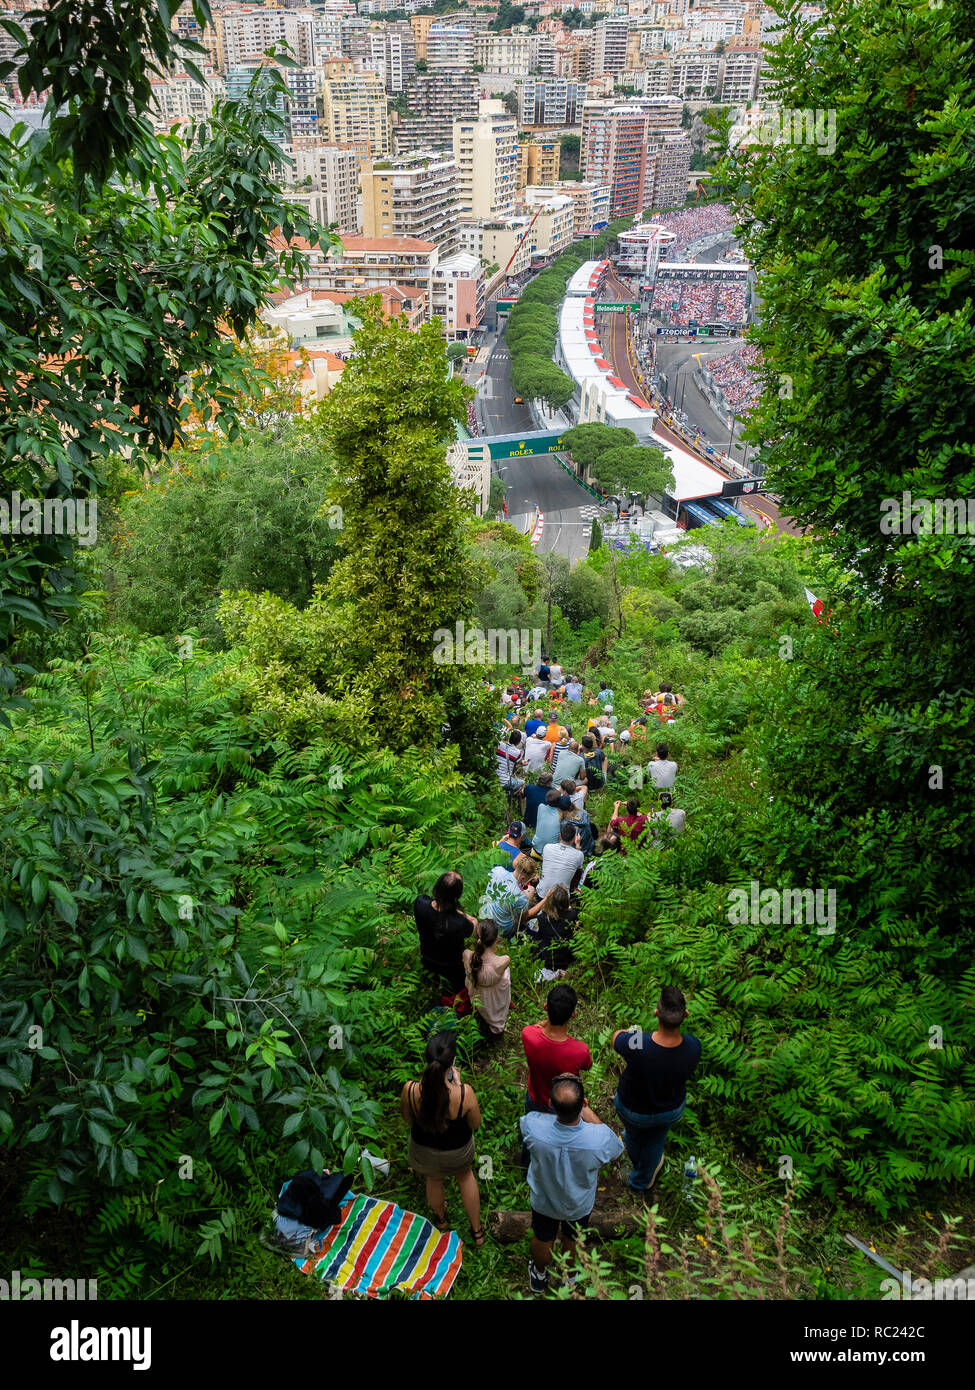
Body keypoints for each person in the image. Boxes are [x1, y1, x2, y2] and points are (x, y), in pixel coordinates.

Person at [520, 1074, 624, 1295]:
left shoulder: (533, 1125)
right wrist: (590, 1114)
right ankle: (569, 1279)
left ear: (550, 1103)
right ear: (583, 1103)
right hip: (578, 1204)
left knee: (543, 1238)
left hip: (544, 1201)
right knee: (573, 1238)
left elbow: (527, 1122)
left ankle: (539, 1275)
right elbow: (616, 1148)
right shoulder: (598, 1138)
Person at [610, 986, 701, 1193]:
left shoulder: (638, 1044)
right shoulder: (693, 1046)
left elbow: (616, 1038)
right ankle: (645, 1169)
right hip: (669, 1110)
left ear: (656, 1013)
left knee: (634, 1136)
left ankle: (640, 1179)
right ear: (685, 1015)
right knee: (656, 1140)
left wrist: (630, 1033)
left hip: (633, 1110)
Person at [401, 1031, 485, 1245]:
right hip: (458, 1153)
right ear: (453, 1061)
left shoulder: (410, 1089)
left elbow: (409, 1120)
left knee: (433, 1179)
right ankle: (477, 1231)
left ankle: (441, 1220)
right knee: (465, 1176)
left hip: (424, 1151)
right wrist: (458, 1085)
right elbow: (475, 1124)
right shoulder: (464, 1093)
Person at [521, 984, 592, 1115]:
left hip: (534, 1098)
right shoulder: (580, 1051)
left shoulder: (527, 1034)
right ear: (573, 1014)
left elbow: (535, 1028)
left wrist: (544, 1023)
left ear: (545, 1007)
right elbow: (588, 1066)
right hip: (562, 1104)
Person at [414, 872, 478, 997]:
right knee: (459, 992)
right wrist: (459, 913)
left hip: (427, 959)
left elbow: (433, 905)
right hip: (452, 968)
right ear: (457, 896)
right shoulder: (459, 922)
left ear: (436, 887)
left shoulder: (420, 903)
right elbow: (474, 926)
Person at [464, 920, 511, 1042]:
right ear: (496, 938)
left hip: (479, 1002)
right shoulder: (503, 961)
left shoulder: (468, 956)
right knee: (505, 974)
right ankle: (496, 1021)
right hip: (496, 1002)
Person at [523, 883, 578, 980]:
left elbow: (536, 938)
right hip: (567, 960)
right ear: (566, 900)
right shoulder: (573, 915)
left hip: (548, 961)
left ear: (549, 900)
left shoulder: (541, 918)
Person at [479, 853, 542, 939]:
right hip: (501, 929)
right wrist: (528, 899)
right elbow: (523, 917)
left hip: (484, 916)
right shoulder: (520, 897)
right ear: (523, 878)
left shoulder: (497, 870)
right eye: (530, 878)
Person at [536, 821, 585, 898]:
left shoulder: (547, 847)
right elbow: (578, 872)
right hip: (561, 899)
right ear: (574, 839)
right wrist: (578, 846)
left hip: (542, 894)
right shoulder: (579, 855)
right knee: (578, 871)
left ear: (560, 836)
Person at [532, 787, 564, 856]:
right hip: (551, 852)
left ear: (546, 799)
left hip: (537, 847)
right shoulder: (561, 815)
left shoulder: (541, 807)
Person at [497, 728, 526, 797]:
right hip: (504, 782)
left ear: (509, 738)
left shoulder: (499, 745)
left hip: (493, 777)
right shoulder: (517, 752)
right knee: (522, 782)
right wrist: (523, 762)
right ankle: (513, 798)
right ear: (519, 742)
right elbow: (518, 762)